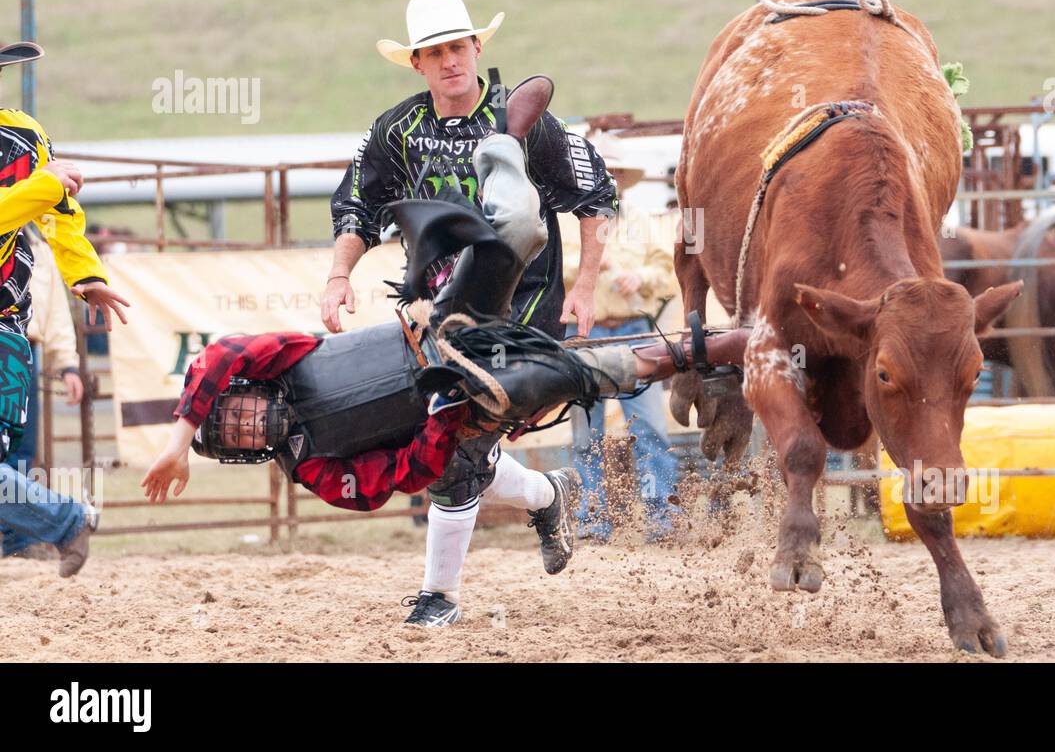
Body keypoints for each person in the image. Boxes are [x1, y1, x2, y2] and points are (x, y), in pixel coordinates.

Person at [144, 147, 749, 626]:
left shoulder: (285, 362)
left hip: (444, 326)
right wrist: (442, 414)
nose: (250, 423)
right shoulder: (314, 468)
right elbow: (400, 474)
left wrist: (179, 439)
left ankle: (504, 146)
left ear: (243, 392)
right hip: (471, 406)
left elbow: (222, 352)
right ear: (248, 452)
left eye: (237, 412)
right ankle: (718, 346)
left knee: (512, 236)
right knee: (581, 380)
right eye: (240, 434)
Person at [323, 0, 618, 341]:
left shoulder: (521, 115)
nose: (449, 61)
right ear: (417, 63)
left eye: (457, 48)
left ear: (476, 47)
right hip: (440, 318)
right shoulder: (397, 129)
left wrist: (585, 286)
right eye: (435, 53)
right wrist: (339, 275)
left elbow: (597, 193)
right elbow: (356, 205)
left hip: (529, 314)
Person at [0, 40, 130, 577]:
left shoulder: (23, 135)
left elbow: (61, 216)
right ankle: (62, 519)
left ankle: (61, 520)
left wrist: (86, 274)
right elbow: (46, 198)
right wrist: (41, 186)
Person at [561, 133, 680, 543]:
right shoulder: (566, 220)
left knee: (648, 428)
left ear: (622, 179)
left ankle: (660, 515)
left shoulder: (642, 223)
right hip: (586, 333)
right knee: (586, 434)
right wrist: (589, 263)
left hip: (634, 331)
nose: (609, 178)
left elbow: (666, 276)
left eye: (614, 172)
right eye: (602, 171)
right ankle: (593, 518)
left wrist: (640, 277)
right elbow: (554, 271)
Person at [2, 224, 86, 561]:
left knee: (19, 451)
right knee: (15, 453)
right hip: (21, 349)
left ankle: (22, 541)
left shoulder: (38, 243)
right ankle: (56, 525)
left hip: (20, 349)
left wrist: (68, 364)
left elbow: (56, 314)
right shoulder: (34, 241)